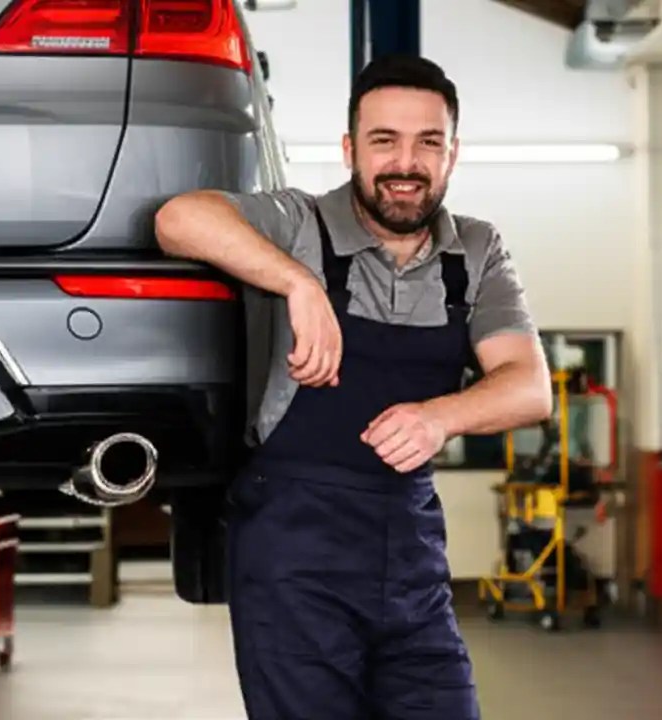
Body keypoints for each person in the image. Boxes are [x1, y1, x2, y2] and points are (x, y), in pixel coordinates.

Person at [154, 53, 552, 720]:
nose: (406, 163)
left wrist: (440, 417)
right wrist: (297, 283)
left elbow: (529, 387)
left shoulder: (475, 251)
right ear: (350, 149)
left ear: (452, 154)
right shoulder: (299, 224)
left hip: (412, 551)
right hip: (292, 555)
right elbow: (178, 219)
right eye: (384, 140)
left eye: (429, 142)